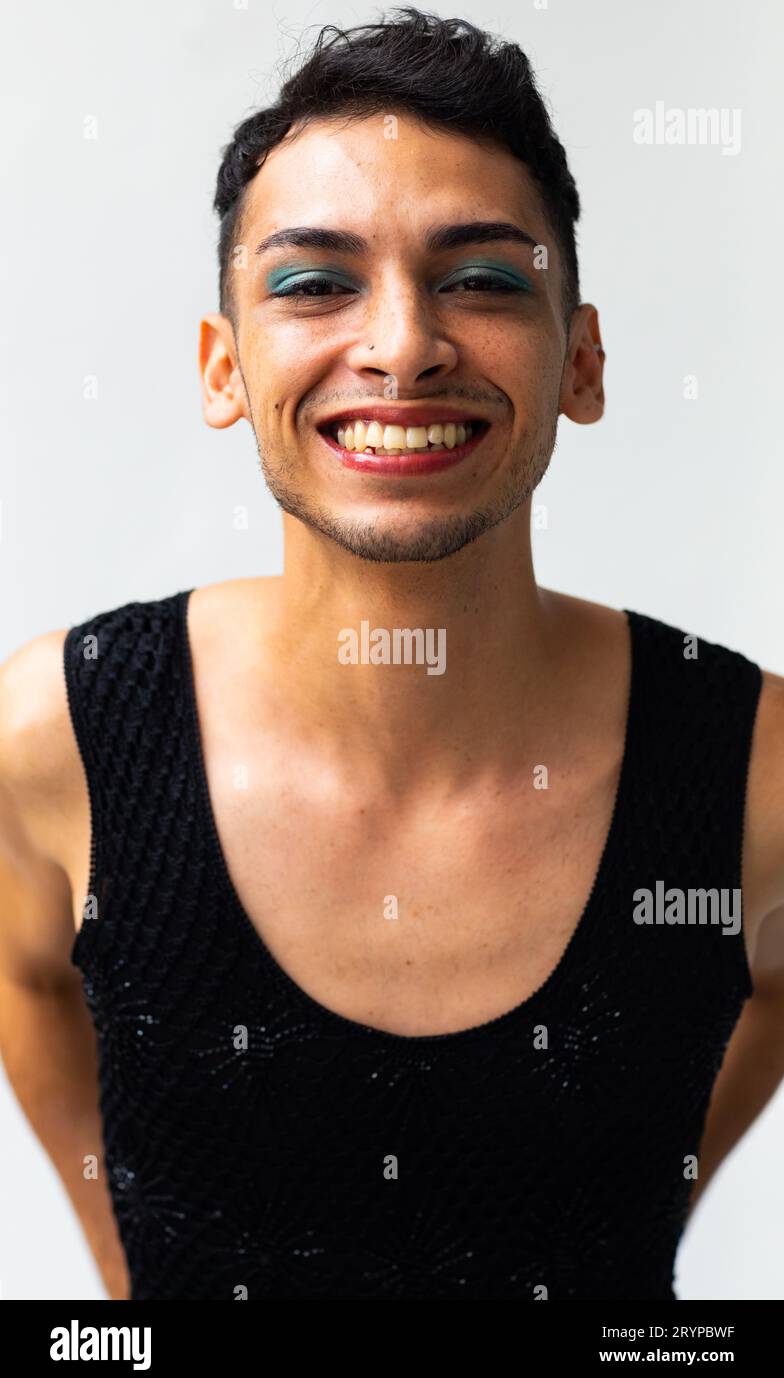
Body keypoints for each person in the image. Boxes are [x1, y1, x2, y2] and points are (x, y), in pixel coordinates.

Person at [1, 8, 783, 1302]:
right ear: (226, 367)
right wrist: (128, 1278)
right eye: (315, 282)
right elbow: (26, 976)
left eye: (482, 278)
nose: (403, 345)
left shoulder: (751, 766)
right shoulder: (60, 738)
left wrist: (649, 1198)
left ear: (580, 357)